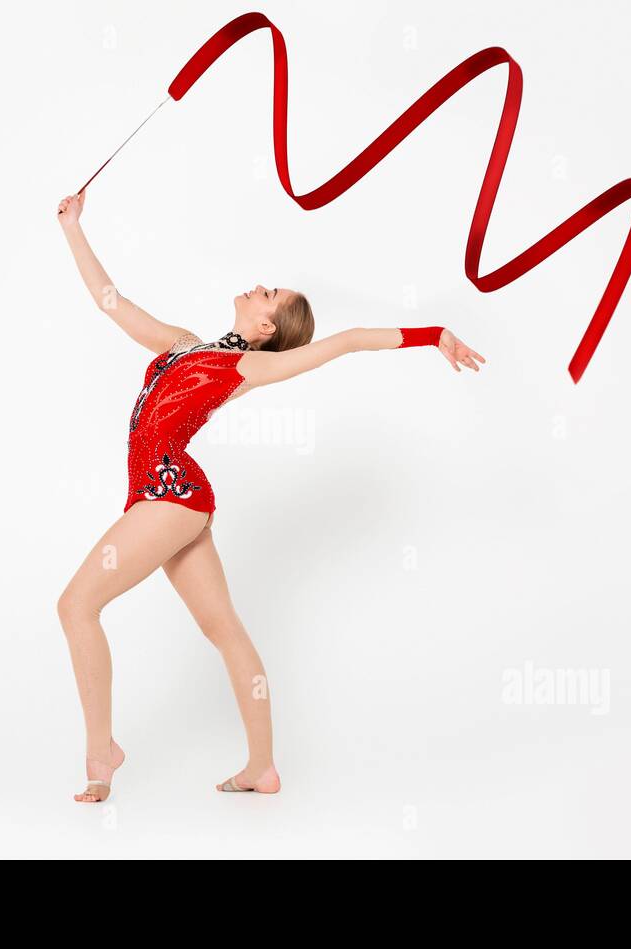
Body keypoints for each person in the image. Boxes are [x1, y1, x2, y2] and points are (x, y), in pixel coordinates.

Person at [55, 190, 484, 802]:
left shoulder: (248, 368)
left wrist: (433, 332)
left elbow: (352, 340)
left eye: (269, 295)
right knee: (224, 628)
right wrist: (74, 228)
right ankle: (263, 769)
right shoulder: (183, 343)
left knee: (76, 605)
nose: (260, 287)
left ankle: (102, 751)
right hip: (173, 497)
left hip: (168, 493)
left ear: (265, 328)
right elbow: (110, 303)